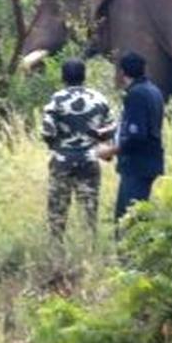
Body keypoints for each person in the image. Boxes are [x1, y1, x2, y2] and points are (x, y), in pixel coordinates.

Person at [41, 58, 114, 241]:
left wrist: (56, 145)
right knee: (89, 210)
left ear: (63, 76)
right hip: (90, 159)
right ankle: (89, 250)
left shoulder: (56, 100)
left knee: (57, 211)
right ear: (84, 76)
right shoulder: (99, 98)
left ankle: (56, 250)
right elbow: (111, 128)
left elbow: (47, 131)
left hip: (62, 160)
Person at [95, 52, 165, 223]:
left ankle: (130, 250)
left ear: (122, 73)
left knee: (127, 219)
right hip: (148, 162)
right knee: (135, 215)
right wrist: (112, 130)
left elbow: (136, 136)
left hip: (137, 165)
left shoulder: (136, 95)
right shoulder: (153, 90)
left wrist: (109, 150)